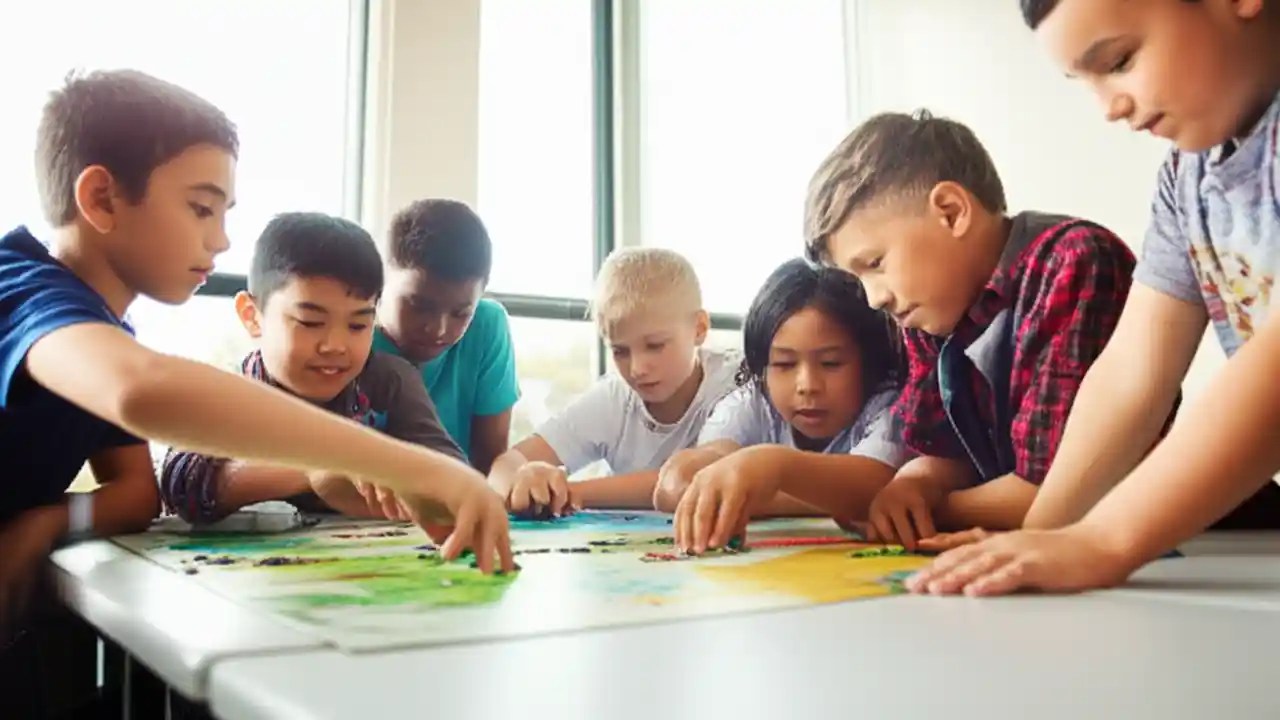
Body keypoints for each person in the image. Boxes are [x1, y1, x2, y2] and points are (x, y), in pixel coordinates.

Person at [907, 0, 1280, 596]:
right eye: (1085, 80)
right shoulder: (1187, 178)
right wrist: (1045, 532)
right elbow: (1132, 374)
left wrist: (1106, 540)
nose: (1110, 107)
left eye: (1120, 61)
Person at [161, 212, 465, 524]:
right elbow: (180, 484)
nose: (335, 346)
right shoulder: (231, 394)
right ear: (252, 316)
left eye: (358, 325)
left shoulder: (390, 381)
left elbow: (454, 474)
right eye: (310, 322)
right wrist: (313, 470)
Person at [661, 258, 910, 552]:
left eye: (831, 363)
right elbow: (682, 482)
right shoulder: (753, 402)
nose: (807, 385)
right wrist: (706, 471)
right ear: (761, 368)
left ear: (870, 363)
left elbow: (876, 486)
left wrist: (773, 468)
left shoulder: (891, 406)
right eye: (784, 364)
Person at [488, 247, 738, 517]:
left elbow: (697, 477)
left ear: (699, 328)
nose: (637, 369)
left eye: (655, 345)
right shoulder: (614, 397)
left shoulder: (738, 384)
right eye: (620, 351)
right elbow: (508, 463)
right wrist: (522, 482)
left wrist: (571, 492)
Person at [373, 199, 519, 473]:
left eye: (460, 313)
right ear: (380, 283)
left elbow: (490, 461)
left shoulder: (487, 325)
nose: (439, 329)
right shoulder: (352, 334)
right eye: (419, 306)